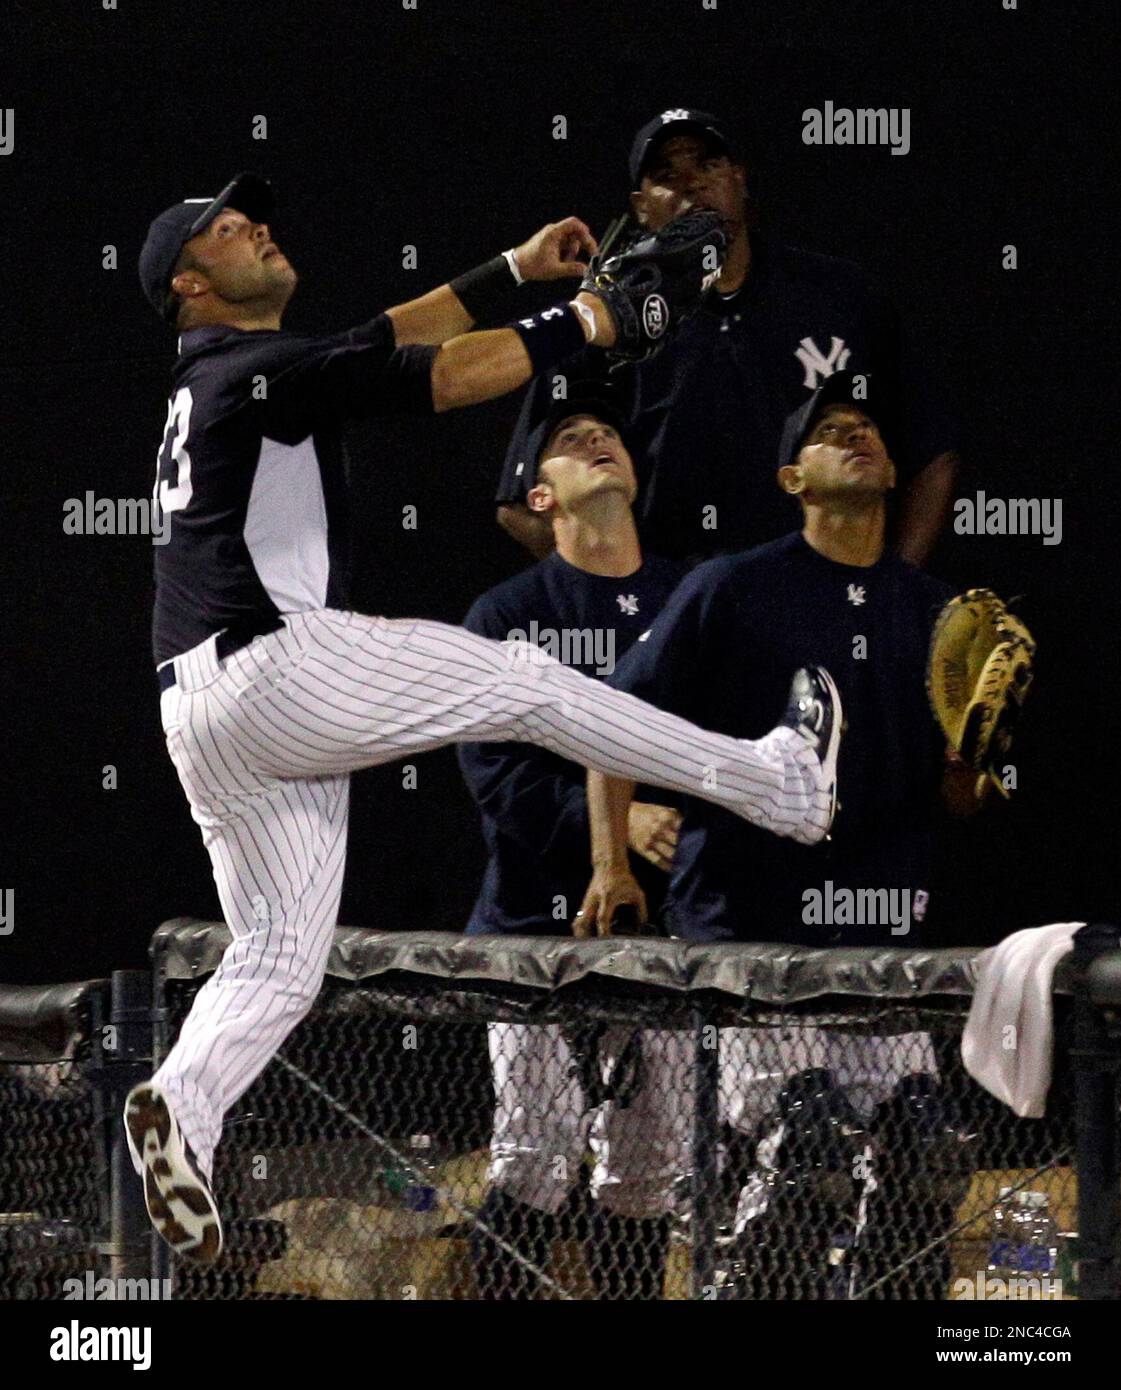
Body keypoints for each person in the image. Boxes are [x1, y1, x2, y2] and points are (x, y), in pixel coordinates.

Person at [122, 172, 843, 1264]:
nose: (259, 226)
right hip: (274, 666)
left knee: (275, 954)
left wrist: (507, 273)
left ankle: (181, 1103)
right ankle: (777, 783)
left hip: (199, 711)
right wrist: (588, 319)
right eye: (228, 227)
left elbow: (380, 340)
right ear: (189, 283)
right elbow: (444, 376)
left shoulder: (230, 378)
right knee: (524, 681)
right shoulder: (249, 371)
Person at [578, 370, 984, 1296]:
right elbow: (609, 719)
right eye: (830, 430)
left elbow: (957, 804)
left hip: (884, 944)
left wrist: (974, 758)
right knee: (799, 1156)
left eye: (868, 429)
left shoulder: (937, 615)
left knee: (924, 1158)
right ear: (792, 480)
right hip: (752, 933)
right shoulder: (734, 586)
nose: (857, 437)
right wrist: (611, 860)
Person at [496, 108, 959, 568]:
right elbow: (518, 505)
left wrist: (892, 591)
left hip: (820, 603)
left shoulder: (839, 297)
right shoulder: (605, 318)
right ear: (641, 207)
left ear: (740, 178)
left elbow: (931, 455)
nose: (691, 183)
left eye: (709, 165)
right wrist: (622, 600)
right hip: (673, 613)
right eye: (666, 174)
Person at [457, 386, 687, 1299]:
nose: (597, 441)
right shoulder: (506, 614)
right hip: (530, 928)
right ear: (537, 496)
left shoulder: (690, 593)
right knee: (531, 1157)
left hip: (666, 932)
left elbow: (738, 749)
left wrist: (670, 828)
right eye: (568, 441)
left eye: (607, 435)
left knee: (645, 1169)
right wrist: (616, 823)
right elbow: (494, 775)